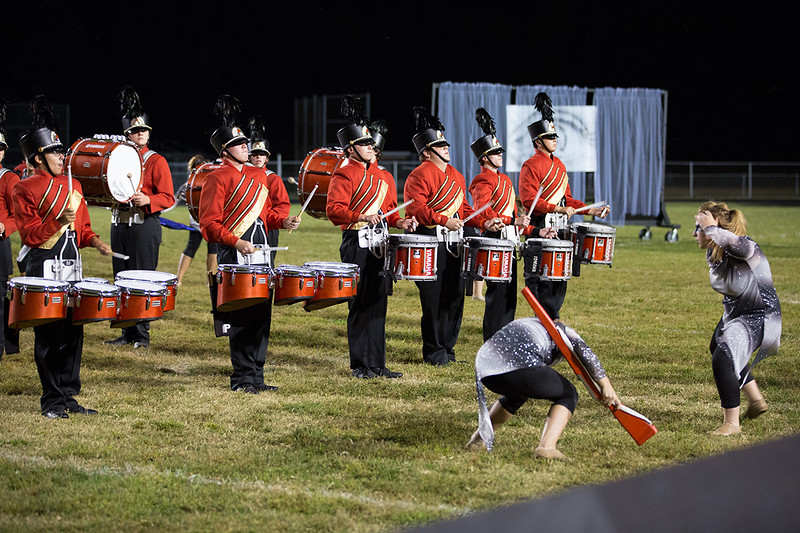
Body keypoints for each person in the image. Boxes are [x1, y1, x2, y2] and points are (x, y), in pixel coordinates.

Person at [14, 95, 112, 418]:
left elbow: (81, 229)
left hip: (72, 267)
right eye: (54, 152)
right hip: (43, 266)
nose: (61, 155)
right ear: (39, 158)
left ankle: (69, 396)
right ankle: (52, 400)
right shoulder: (24, 188)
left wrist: (96, 241)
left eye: (61, 150)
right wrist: (58, 221)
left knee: (73, 331)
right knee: (48, 335)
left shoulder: (75, 186)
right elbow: (29, 234)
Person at [200, 95, 301, 394]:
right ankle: (242, 378)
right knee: (242, 314)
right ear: (224, 150)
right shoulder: (216, 178)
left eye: (246, 141)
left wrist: (282, 222)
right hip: (235, 253)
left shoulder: (259, 176)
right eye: (240, 143)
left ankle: (257, 374)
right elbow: (209, 225)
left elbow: (266, 214)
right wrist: (236, 241)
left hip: (261, 251)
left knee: (261, 314)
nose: (247, 146)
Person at [403, 107, 502, 365]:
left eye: (446, 143)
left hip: (455, 243)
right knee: (434, 299)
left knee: (455, 296)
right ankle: (434, 351)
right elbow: (417, 208)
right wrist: (443, 219)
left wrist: (484, 221)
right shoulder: (418, 174)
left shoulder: (456, 175)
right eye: (439, 144)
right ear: (426, 151)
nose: (446, 147)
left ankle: (448, 348)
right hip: (431, 241)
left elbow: (466, 210)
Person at [327, 97, 416, 378]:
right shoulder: (344, 173)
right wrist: (361, 216)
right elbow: (334, 211)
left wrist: (402, 221)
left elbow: (389, 212)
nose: (371, 147)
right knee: (360, 303)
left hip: (381, 243)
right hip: (356, 243)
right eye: (365, 144)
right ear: (351, 148)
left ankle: (377, 363)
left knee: (379, 302)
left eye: (371, 144)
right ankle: (360, 365)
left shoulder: (384, 176)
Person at [465, 316, 621, 460]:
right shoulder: (564, 331)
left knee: (517, 395)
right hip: (518, 366)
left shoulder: (531, 322)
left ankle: (479, 439)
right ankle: (547, 447)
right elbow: (587, 355)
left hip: (484, 367)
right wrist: (606, 386)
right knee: (568, 393)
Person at [467, 108, 556, 341]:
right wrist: (510, 220)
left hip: (508, 242)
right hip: (494, 241)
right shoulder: (482, 180)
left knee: (509, 296)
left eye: (500, 152)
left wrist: (537, 230)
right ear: (484, 157)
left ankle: (504, 337)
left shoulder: (505, 180)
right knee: (497, 295)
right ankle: (493, 340)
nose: (500, 155)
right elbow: (484, 211)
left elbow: (516, 221)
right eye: (495, 153)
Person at [519, 92, 609, 319]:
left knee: (559, 278)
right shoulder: (530, 165)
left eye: (555, 136)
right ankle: (545, 323)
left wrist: (591, 210)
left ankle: (553, 320)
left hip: (559, 228)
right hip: (541, 226)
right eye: (550, 137)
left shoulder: (559, 165)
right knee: (540, 279)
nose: (555, 140)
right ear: (538, 141)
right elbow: (530, 201)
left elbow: (567, 200)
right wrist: (558, 209)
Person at [694, 201, 781, 435]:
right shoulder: (716, 251)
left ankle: (732, 424)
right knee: (717, 345)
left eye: (699, 228)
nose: (695, 234)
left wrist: (710, 228)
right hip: (736, 312)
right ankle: (755, 400)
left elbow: (737, 246)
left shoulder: (745, 246)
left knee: (723, 359)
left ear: (717, 230)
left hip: (758, 316)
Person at [105, 86, 175, 349]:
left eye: (144, 130)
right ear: (127, 134)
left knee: (142, 279)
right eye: (135, 131)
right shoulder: (116, 160)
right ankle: (126, 333)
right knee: (121, 278)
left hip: (144, 224)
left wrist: (149, 200)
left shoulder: (157, 161)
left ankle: (142, 336)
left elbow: (168, 197)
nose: (141, 134)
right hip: (119, 224)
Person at [247, 115, 291, 265]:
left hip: (268, 229)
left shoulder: (273, 179)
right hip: (244, 228)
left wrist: (270, 221)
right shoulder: (242, 177)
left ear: (267, 158)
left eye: (262, 154)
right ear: (249, 157)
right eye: (255, 154)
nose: (258, 157)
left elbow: (282, 207)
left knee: (266, 267)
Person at [176, 155, 218, 286]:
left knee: (191, 247)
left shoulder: (191, 181)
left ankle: (179, 279)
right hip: (210, 219)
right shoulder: (212, 177)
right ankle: (209, 281)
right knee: (213, 249)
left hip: (196, 219)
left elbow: (177, 196)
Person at [0, 98, 21, 358]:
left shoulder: (9, 178)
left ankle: (5, 344)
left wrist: (3, 226)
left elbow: (18, 216)